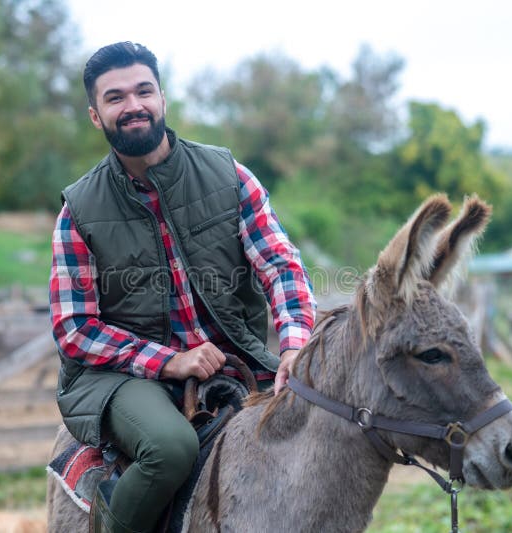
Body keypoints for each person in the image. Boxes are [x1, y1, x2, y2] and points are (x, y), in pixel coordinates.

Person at [49, 41, 316, 533]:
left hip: (232, 352)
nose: (133, 105)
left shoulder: (228, 175)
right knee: (171, 450)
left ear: (163, 99)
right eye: (115, 98)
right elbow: (74, 328)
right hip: (121, 376)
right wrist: (169, 360)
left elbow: (279, 263)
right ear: (95, 115)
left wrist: (296, 343)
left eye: (143, 91)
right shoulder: (79, 211)